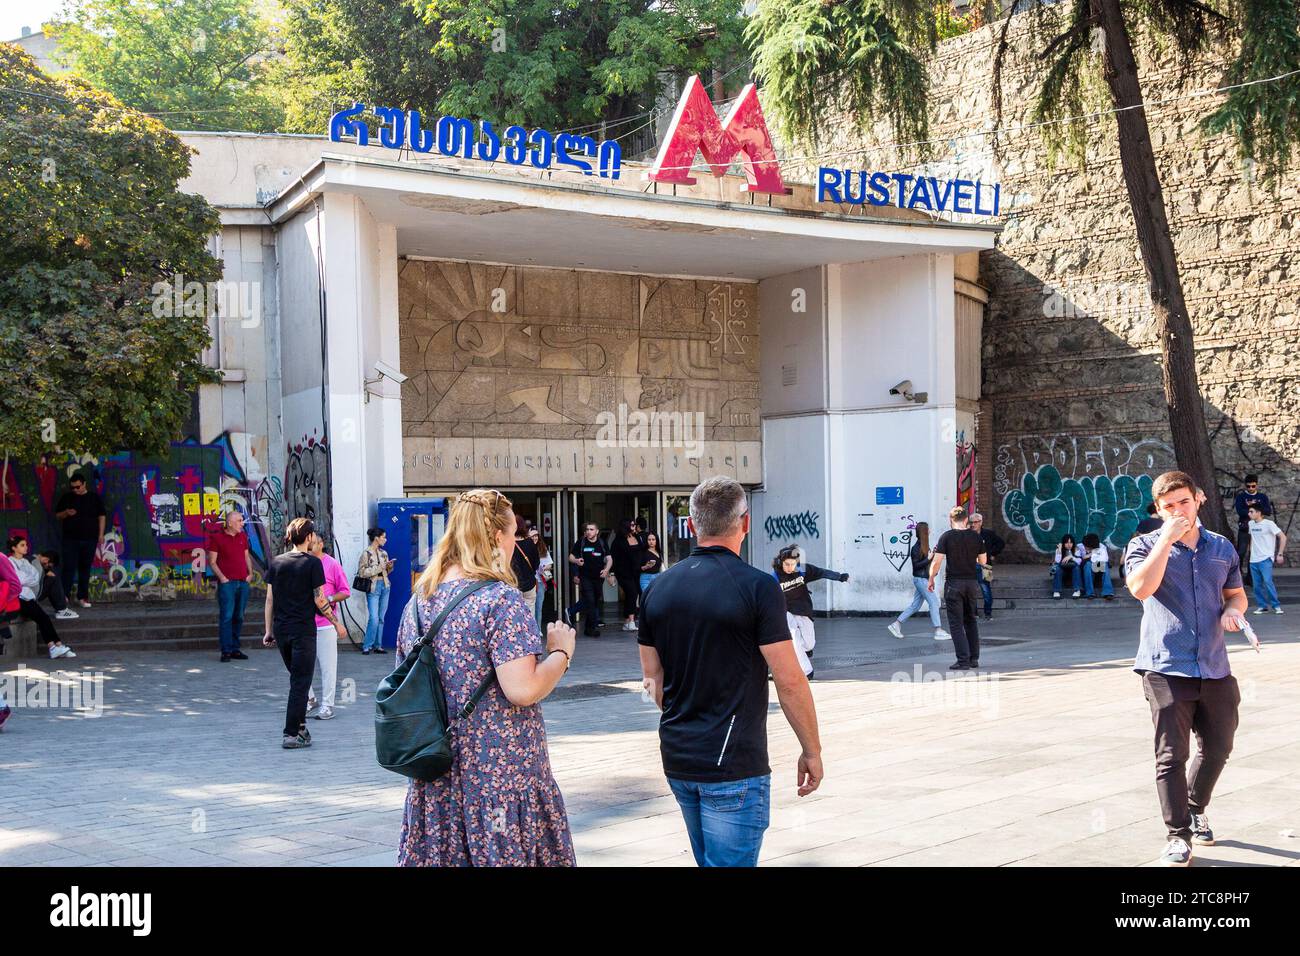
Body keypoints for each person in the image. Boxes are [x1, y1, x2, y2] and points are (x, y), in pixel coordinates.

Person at [639, 476, 823, 867]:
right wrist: (812, 749)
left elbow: (652, 680)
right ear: (745, 523)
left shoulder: (656, 588)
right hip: (734, 763)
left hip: (678, 756)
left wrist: (687, 718)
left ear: (691, 526)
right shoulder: (758, 588)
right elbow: (789, 681)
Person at [395, 488, 577, 867]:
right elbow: (523, 688)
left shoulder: (418, 602)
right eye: (513, 535)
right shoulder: (499, 599)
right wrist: (561, 652)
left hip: (436, 773)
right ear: (496, 538)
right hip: (500, 775)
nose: (516, 543)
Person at [1124, 470, 1251, 867]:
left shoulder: (1221, 548)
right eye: (1168, 507)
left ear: (1199, 499)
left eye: (1183, 502)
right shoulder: (1143, 544)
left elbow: (1236, 596)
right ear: (1158, 510)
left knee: (1219, 748)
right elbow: (1140, 588)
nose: (1177, 511)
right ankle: (1177, 835)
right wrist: (1165, 539)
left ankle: (1195, 808)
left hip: (1214, 665)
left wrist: (1233, 612)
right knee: (1171, 755)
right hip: (1165, 666)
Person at [263, 518, 344, 749]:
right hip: (303, 631)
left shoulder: (276, 563)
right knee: (300, 683)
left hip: (281, 630)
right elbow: (320, 599)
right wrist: (336, 623)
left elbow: (270, 599)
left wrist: (269, 631)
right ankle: (291, 733)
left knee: (297, 679)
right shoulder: (312, 563)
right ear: (308, 538)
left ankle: (300, 728)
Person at [771, 544, 849, 679]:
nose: (790, 568)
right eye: (787, 564)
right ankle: (807, 671)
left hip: (803, 609)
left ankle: (790, 663)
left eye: (793, 564)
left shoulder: (803, 571)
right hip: (786, 611)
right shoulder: (775, 577)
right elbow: (766, 595)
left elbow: (821, 572)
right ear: (780, 563)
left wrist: (840, 577)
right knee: (794, 639)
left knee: (808, 644)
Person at [928, 506, 987, 671]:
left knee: (956, 623)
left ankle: (963, 660)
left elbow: (937, 561)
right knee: (971, 620)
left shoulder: (946, 537)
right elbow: (983, 561)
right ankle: (974, 659)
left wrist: (931, 578)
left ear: (951, 519)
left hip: (954, 584)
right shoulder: (976, 537)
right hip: (971, 584)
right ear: (966, 520)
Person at [7, 536, 76, 659]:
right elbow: (18, 579)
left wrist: (25, 580)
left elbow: (35, 579)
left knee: (44, 618)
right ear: (14, 548)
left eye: (25, 544)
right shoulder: (9, 562)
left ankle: (58, 646)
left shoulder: (25, 562)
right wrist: (25, 579)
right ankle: (53, 647)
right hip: (18, 597)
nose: (26, 547)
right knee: (42, 618)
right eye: (22, 545)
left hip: (28, 596)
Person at [306, 532, 350, 721]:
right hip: (305, 623)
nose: (310, 547)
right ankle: (309, 698)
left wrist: (328, 599)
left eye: (314, 543)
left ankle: (327, 704)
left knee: (327, 667)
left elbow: (345, 591)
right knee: (301, 665)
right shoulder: (304, 562)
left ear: (322, 544)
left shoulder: (331, 564)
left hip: (325, 623)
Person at [887, 521, 950, 641]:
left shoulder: (924, 546)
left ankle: (896, 624)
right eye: (928, 529)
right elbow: (916, 566)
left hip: (923, 579)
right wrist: (929, 558)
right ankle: (938, 630)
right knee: (934, 603)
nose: (930, 531)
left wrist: (931, 573)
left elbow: (925, 564)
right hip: (920, 580)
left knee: (915, 606)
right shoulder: (916, 548)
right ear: (924, 532)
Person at [206, 510, 253, 662]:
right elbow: (212, 561)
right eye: (239, 520)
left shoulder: (242, 536)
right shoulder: (217, 538)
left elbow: (246, 556)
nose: (242, 523)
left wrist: (250, 574)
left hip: (243, 582)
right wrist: (222, 578)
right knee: (226, 616)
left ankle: (235, 649)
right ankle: (226, 651)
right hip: (227, 584)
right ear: (230, 523)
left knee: (239, 616)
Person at [54, 472, 106, 608]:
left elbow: (102, 516)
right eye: (73, 487)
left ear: (84, 484)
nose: (75, 490)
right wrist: (66, 513)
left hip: (90, 539)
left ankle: (82, 597)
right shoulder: (67, 497)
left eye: (78, 487)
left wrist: (100, 534)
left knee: (85, 568)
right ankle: (64, 597)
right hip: (70, 539)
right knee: (68, 567)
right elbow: (58, 515)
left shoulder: (94, 498)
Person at [567, 522, 611, 637]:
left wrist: (607, 570)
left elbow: (609, 559)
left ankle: (587, 627)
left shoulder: (602, 543)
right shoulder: (581, 542)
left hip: (598, 577)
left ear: (597, 531)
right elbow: (570, 557)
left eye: (592, 529)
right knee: (590, 600)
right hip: (585, 577)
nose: (589, 531)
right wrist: (576, 561)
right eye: (587, 529)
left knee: (594, 601)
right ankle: (592, 628)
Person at [358, 527, 394, 654]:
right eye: (383, 537)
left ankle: (378, 646)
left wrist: (389, 567)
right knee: (373, 618)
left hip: (385, 586)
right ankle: (367, 646)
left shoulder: (384, 553)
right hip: (373, 587)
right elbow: (362, 573)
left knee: (381, 618)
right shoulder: (366, 554)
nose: (385, 539)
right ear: (376, 538)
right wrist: (381, 567)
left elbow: (386, 572)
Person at [1246, 504, 1286, 614]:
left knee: (1268, 582)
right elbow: (1252, 538)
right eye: (1249, 512)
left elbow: (1282, 537)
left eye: (1251, 511)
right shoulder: (1250, 524)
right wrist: (1250, 552)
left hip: (1266, 558)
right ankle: (1262, 606)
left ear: (1258, 513)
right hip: (1253, 559)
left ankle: (1276, 606)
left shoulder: (1269, 524)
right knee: (1257, 585)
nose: (1249, 514)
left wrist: (1280, 554)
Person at [1232, 476, 1271, 586]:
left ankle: (1251, 579)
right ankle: (1237, 577)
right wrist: (1257, 510)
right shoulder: (1241, 497)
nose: (1251, 488)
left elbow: (1268, 511)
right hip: (1244, 527)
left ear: (1257, 485)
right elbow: (1240, 511)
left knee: (1254, 554)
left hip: (1258, 529)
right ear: (1245, 485)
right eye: (1248, 486)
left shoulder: (1262, 497)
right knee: (1241, 552)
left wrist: (1252, 508)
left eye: (1253, 486)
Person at [610, 518, 645, 631]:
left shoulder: (637, 537)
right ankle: (631, 620)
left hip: (637, 572)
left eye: (634, 525)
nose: (634, 526)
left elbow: (642, 553)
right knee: (632, 593)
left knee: (634, 594)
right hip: (624, 572)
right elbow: (613, 558)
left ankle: (626, 621)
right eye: (632, 525)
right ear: (626, 526)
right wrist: (612, 574)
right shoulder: (618, 541)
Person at [969, 513, 1004, 621]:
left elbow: (1001, 543)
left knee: (986, 589)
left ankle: (988, 612)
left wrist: (992, 553)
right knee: (971, 590)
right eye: (971, 522)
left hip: (986, 565)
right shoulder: (968, 534)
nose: (973, 524)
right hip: (971, 565)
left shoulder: (988, 534)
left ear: (980, 522)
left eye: (975, 522)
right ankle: (974, 612)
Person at [32, 550, 76, 619]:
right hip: (32, 595)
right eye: (48, 565)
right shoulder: (35, 563)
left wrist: (60, 595)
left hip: (32, 593)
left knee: (53, 578)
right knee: (53, 579)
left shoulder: (35, 561)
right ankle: (61, 610)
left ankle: (61, 608)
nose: (46, 566)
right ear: (46, 559)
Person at [510, 518, 540, 613]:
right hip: (530, 584)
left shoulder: (508, 544)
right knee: (530, 612)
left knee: (514, 613)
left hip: (513, 584)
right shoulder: (530, 543)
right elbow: (536, 563)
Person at [1081, 532, 1116, 600]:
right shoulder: (1081, 546)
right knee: (1088, 565)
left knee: (1105, 565)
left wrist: (1091, 554)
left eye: (1086, 546)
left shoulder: (1102, 547)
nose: (1085, 547)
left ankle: (1108, 592)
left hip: (1099, 567)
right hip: (1089, 569)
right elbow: (1082, 558)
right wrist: (1094, 555)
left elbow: (1105, 559)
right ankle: (1089, 593)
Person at [1050, 533, 1085, 599]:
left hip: (1073, 571)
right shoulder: (1058, 550)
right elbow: (1057, 561)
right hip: (1063, 571)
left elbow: (1080, 561)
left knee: (1077, 567)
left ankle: (1077, 590)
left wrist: (1071, 557)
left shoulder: (1076, 549)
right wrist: (1060, 550)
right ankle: (1056, 591)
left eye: (1071, 542)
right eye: (1067, 543)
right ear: (1063, 543)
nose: (1069, 545)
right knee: (1057, 568)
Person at [531, 528, 553, 625]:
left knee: (538, 606)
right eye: (532, 536)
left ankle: (538, 629)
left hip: (540, 581)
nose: (534, 538)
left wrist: (543, 568)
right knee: (529, 606)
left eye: (536, 536)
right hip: (529, 581)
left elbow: (550, 565)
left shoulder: (543, 549)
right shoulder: (526, 549)